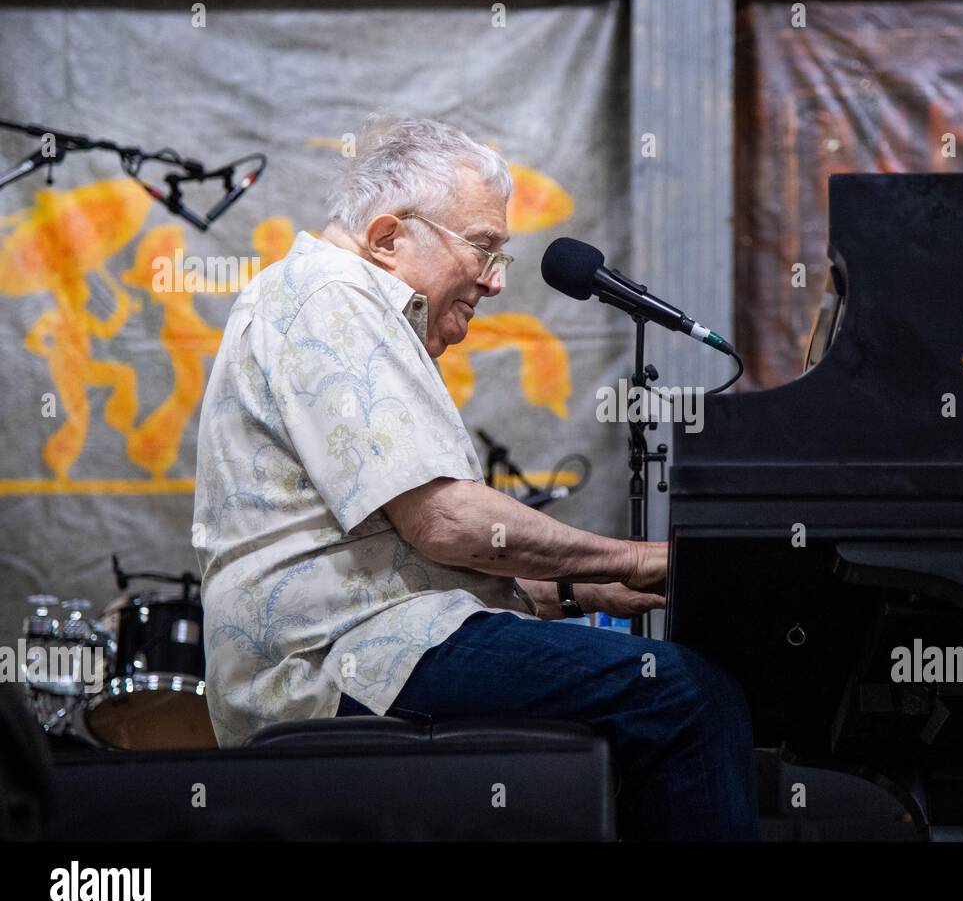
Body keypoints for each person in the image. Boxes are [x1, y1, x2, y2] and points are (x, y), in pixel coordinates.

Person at [191, 116, 759, 840]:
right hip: (332, 663)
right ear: (388, 237)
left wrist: (576, 588)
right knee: (683, 695)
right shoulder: (327, 293)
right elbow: (446, 523)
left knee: (654, 696)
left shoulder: (331, 299)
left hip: (367, 642)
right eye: (484, 248)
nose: (494, 281)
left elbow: (406, 552)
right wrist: (642, 558)